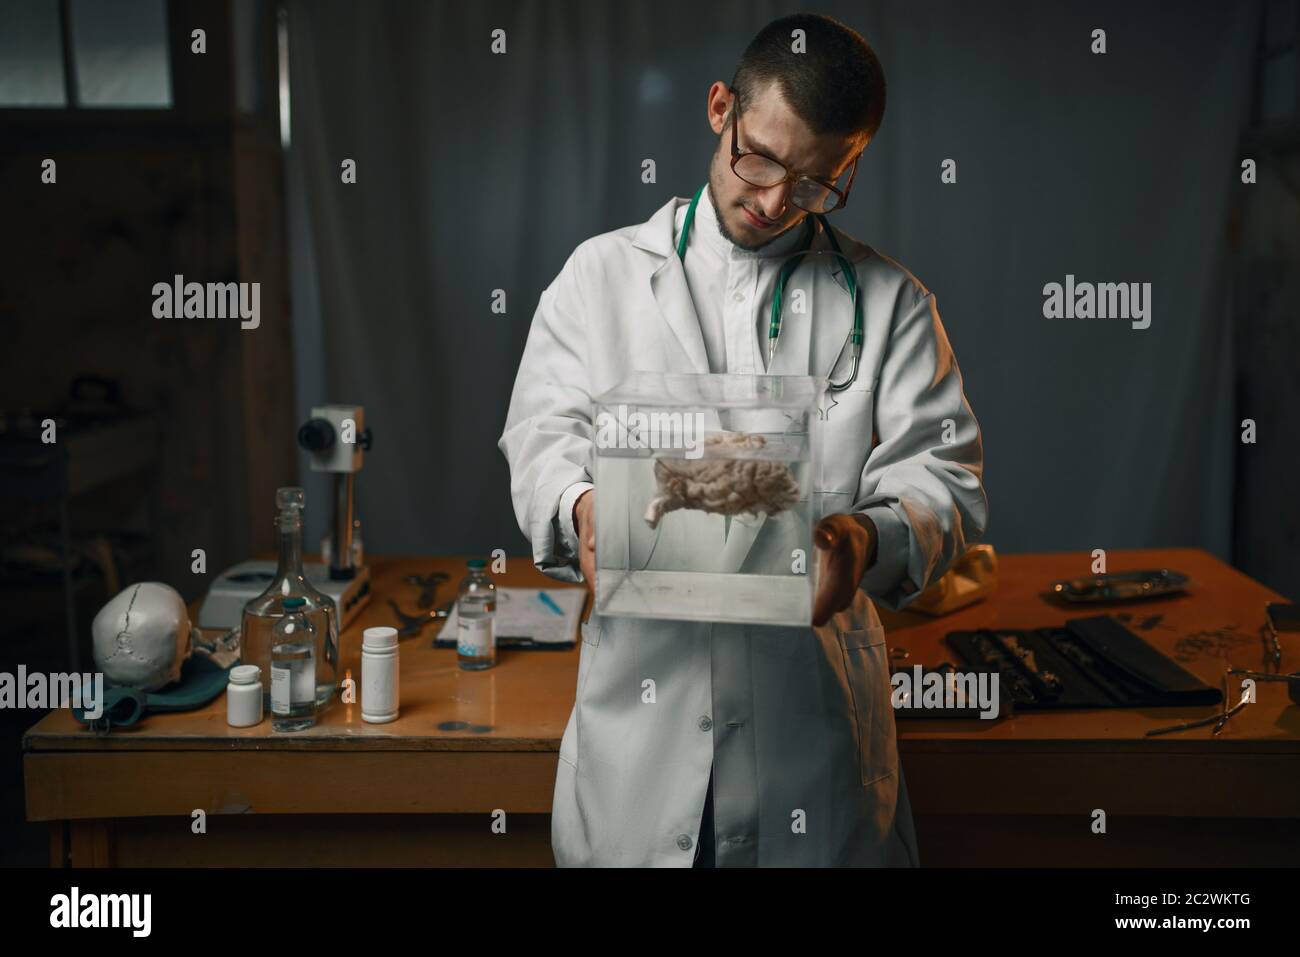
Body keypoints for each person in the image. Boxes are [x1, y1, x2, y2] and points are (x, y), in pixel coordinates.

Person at [498, 13, 987, 867]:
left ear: (850, 165)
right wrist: (577, 506)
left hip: (814, 753)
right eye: (758, 158)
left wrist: (864, 534)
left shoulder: (894, 305)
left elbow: (947, 483)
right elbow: (541, 436)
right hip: (637, 756)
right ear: (721, 109)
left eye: (812, 182)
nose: (772, 201)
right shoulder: (599, 278)